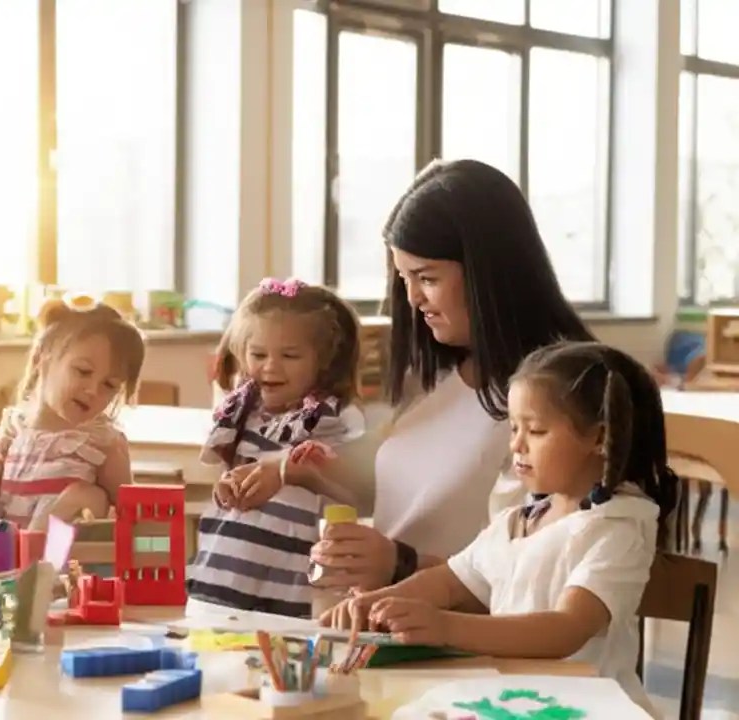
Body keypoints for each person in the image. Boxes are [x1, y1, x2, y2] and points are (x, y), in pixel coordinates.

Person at [236, 159, 595, 590]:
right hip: (398, 624)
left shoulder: (562, 395)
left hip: (490, 646)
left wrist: (402, 565)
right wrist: (290, 469)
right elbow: (400, 492)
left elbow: (535, 576)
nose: (412, 299)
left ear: (488, 272)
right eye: (403, 278)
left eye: (426, 277)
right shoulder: (437, 375)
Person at [322, 341, 679, 716]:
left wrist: (444, 627)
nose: (517, 445)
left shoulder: (618, 526)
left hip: (587, 708)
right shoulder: (520, 519)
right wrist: (377, 605)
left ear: (599, 438)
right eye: (513, 428)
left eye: (536, 431)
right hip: (515, 702)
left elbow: (566, 628)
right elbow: (449, 581)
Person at [188, 278, 366, 618]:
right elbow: (233, 477)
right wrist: (227, 487)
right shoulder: (244, 413)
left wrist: (290, 472)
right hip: (224, 570)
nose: (270, 366)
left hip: (284, 584)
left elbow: (353, 487)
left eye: (290, 356)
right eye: (258, 354)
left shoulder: (332, 419)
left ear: (324, 360)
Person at [0, 300, 145, 530]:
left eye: (110, 385)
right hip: (7, 555)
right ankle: (29, 551)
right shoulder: (13, 431)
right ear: (41, 360)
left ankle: (36, 545)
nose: (93, 390)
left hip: (66, 560)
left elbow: (129, 509)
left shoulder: (103, 444)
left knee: (89, 496)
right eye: (83, 371)